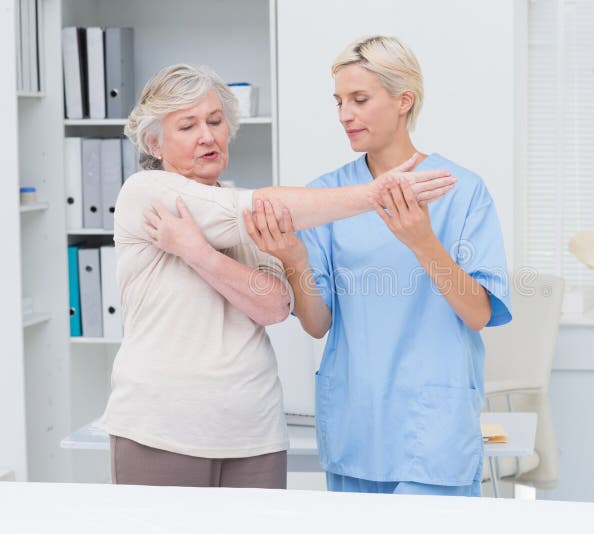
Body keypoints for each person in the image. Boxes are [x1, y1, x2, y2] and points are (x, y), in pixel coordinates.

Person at [99, 64, 455, 488]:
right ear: (155, 142)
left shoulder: (245, 210)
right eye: (188, 126)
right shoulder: (145, 193)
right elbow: (260, 213)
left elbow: (273, 306)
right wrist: (374, 194)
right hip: (161, 428)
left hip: (253, 431)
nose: (207, 136)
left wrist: (198, 254)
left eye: (215, 121)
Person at [246, 36, 511, 497]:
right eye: (339, 102)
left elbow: (478, 314)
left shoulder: (460, 190)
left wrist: (422, 241)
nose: (344, 114)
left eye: (359, 99)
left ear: (403, 100)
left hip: (434, 433)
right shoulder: (326, 198)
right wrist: (293, 259)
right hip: (357, 425)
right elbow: (317, 323)